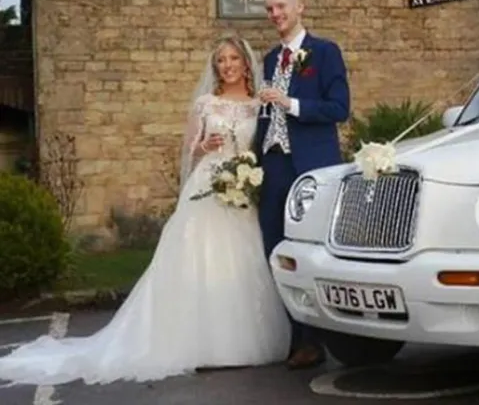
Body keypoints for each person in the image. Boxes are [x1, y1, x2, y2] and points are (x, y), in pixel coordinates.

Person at [0, 35, 292, 386]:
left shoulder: (257, 105)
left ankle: (240, 342)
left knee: (239, 262)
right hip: (207, 187)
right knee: (195, 259)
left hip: (242, 193)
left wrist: (250, 177)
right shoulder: (205, 103)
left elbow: (264, 148)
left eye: (232, 59)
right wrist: (205, 145)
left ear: (246, 64)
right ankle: (194, 341)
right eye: (220, 60)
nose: (227, 65)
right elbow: (190, 150)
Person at [254, 0, 350, 369]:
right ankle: (297, 338)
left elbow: (339, 108)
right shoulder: (268, 60)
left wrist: (290, 103)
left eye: (281, 7)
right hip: (273, 166)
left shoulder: (325, 53)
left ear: (300, 8)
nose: (275, 14)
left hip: (311, 167)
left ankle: (323, 339)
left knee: (312, 253)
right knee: (275, 251)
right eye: (269, 9)